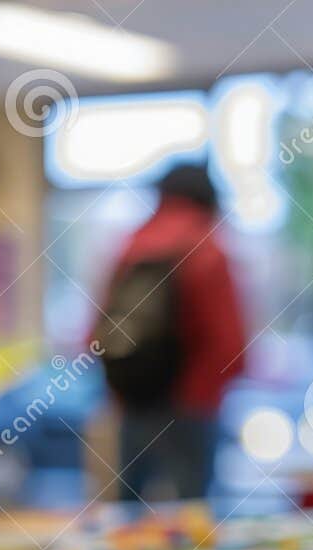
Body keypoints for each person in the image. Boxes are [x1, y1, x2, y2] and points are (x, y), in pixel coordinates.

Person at [94, 163, 246, 502]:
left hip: (133, 402)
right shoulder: (207, 248)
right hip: (192, 406)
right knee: (192, 520)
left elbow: (98, 330)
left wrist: (119, 392)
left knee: (128, 515)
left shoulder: (131, 246)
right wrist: (206, 394)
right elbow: (230, 345)